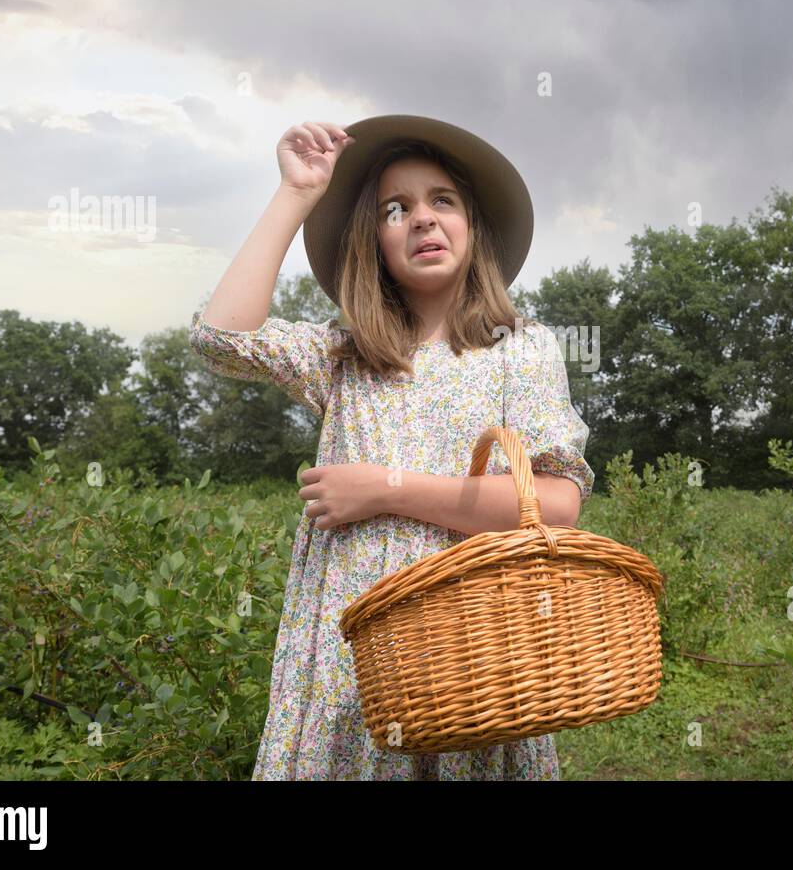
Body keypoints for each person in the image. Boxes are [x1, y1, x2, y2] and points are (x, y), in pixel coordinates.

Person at [188, 116, 595, 780]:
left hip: (471, 656)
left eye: (442, 201)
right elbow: (220, 339)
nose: (422, 220)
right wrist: (296, 192)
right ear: (373, 242)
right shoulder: (344, 355)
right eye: (395, 209)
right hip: (348, 654)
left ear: (473, 226)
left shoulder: (519, 350)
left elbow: (555, 504)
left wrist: (384, 488)